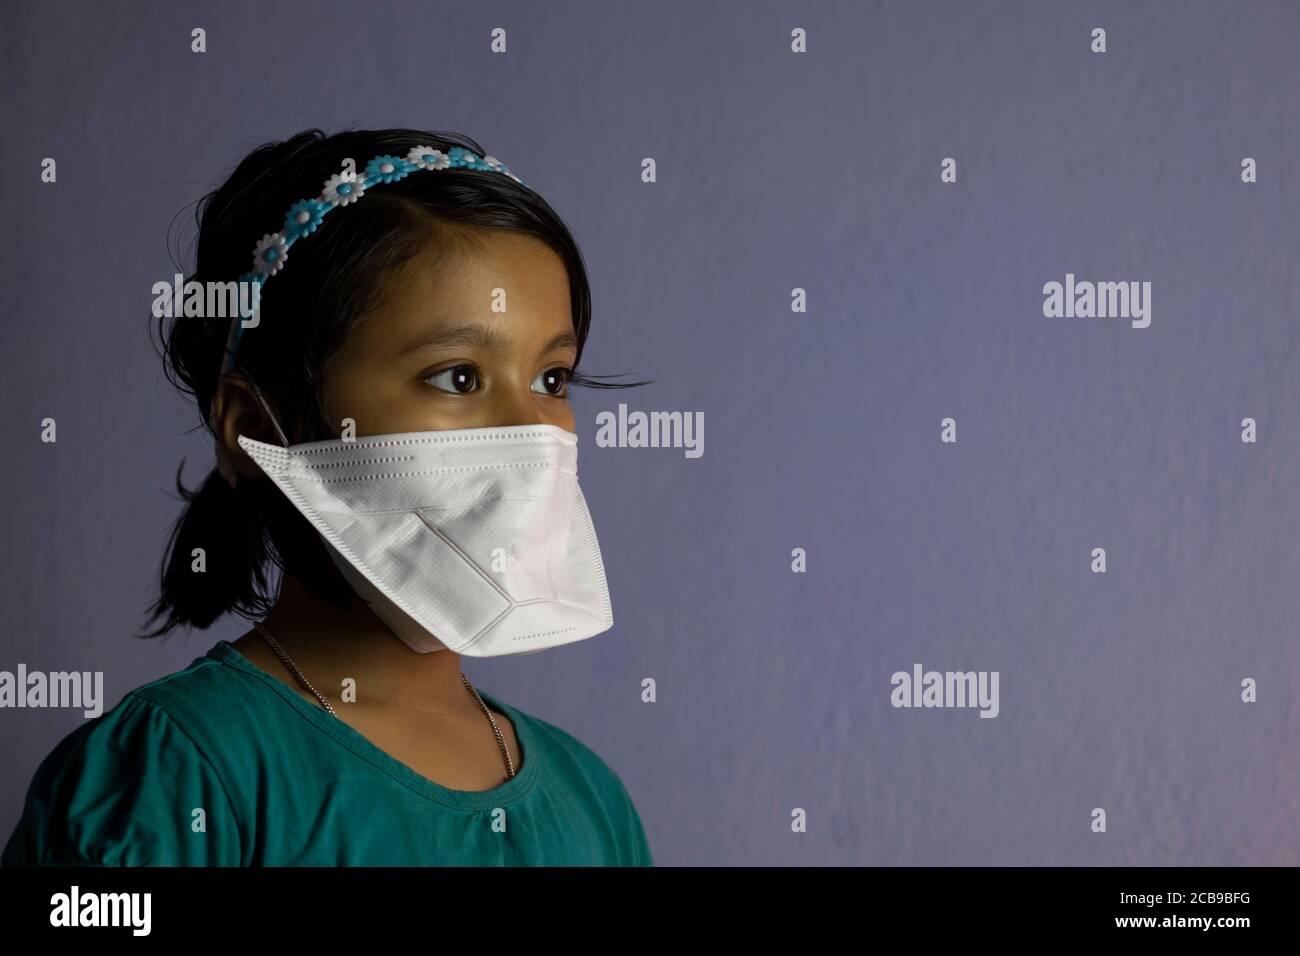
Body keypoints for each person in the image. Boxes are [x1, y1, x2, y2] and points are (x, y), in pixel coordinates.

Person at [2, 128, 653, 866]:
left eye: (552, 379)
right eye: (459, 377)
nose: (530, 432)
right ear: (253, 425)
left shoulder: (591, 799)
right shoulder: (180, 775)